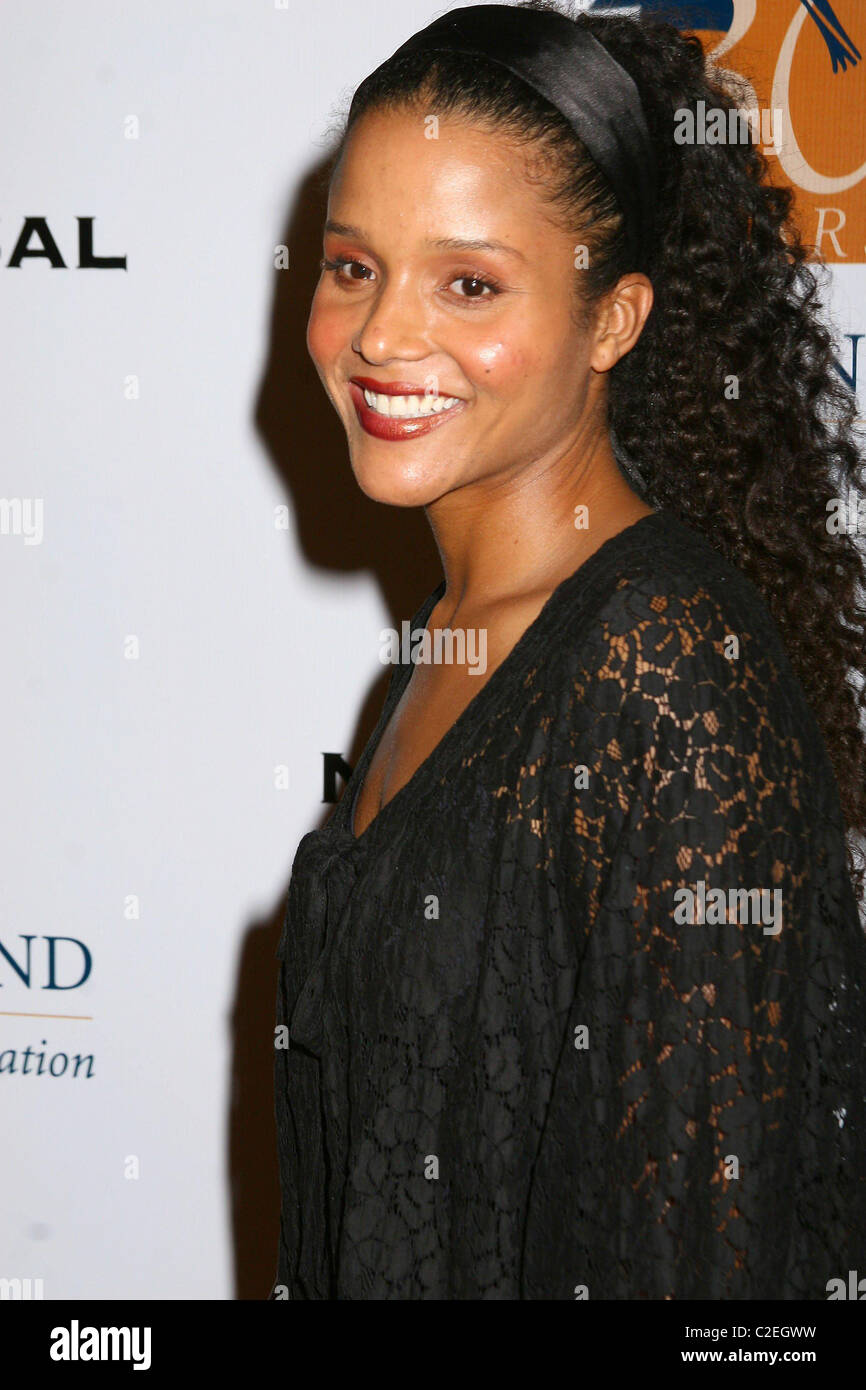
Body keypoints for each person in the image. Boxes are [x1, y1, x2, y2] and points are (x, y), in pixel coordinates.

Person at [269, 2, 866, 1299]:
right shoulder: (450, 640)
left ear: (613, 321)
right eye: (354, 266)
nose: (381, 336)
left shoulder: (668, 666)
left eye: (469, 283)